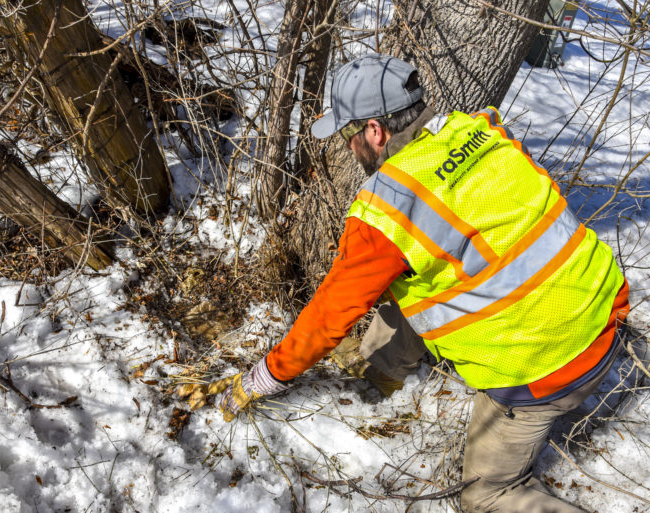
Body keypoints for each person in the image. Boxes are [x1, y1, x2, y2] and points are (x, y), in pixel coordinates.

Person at [205, 54, 630, 512]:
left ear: (374, 131)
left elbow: (329, 314)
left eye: (349, 135)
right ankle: (378, 378)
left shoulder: (388, 209)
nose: (349, 148)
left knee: (487, 498)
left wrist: (265, 377)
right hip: (605, 306)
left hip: (549, 365)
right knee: (416, 272)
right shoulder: (483, 131)